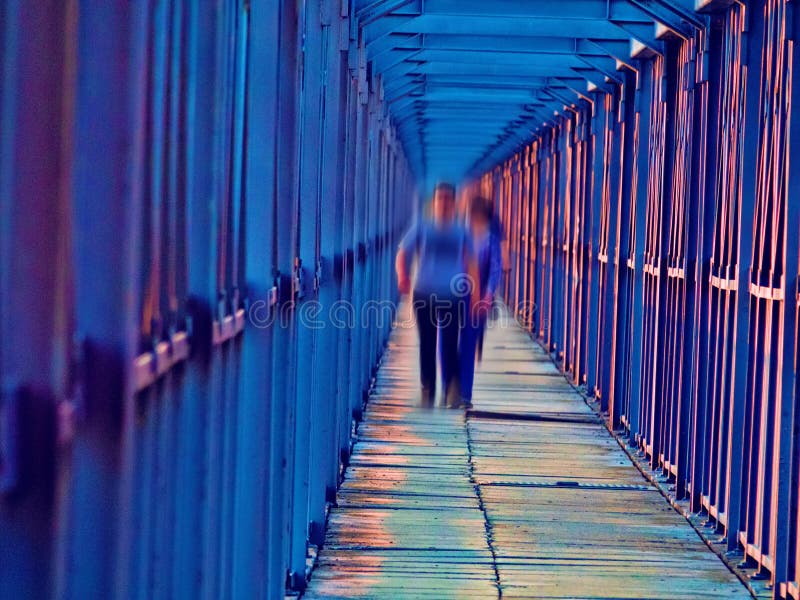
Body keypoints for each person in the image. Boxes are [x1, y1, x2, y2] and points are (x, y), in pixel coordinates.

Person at [396, 183, 478, 408]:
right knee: (427, 343)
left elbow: (471, 263)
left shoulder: (462, 230)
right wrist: (403, 276)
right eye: (439, 199)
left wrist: (475, 295)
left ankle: (451, 391)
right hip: (424, 293)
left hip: (452, 295)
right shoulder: (422, 226)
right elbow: (403, 252)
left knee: (451, 342)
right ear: (434, 202)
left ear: (454, 203)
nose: (443, 203)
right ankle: (428, 390)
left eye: (447, 199)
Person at [459, 197, 502, 408]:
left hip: (477, 300)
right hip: (454, 296)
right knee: (448, 343)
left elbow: (495, 269)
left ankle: (464, 394)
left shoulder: (491, 240)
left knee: (468, 344)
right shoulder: (459, 237)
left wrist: (488, 295)